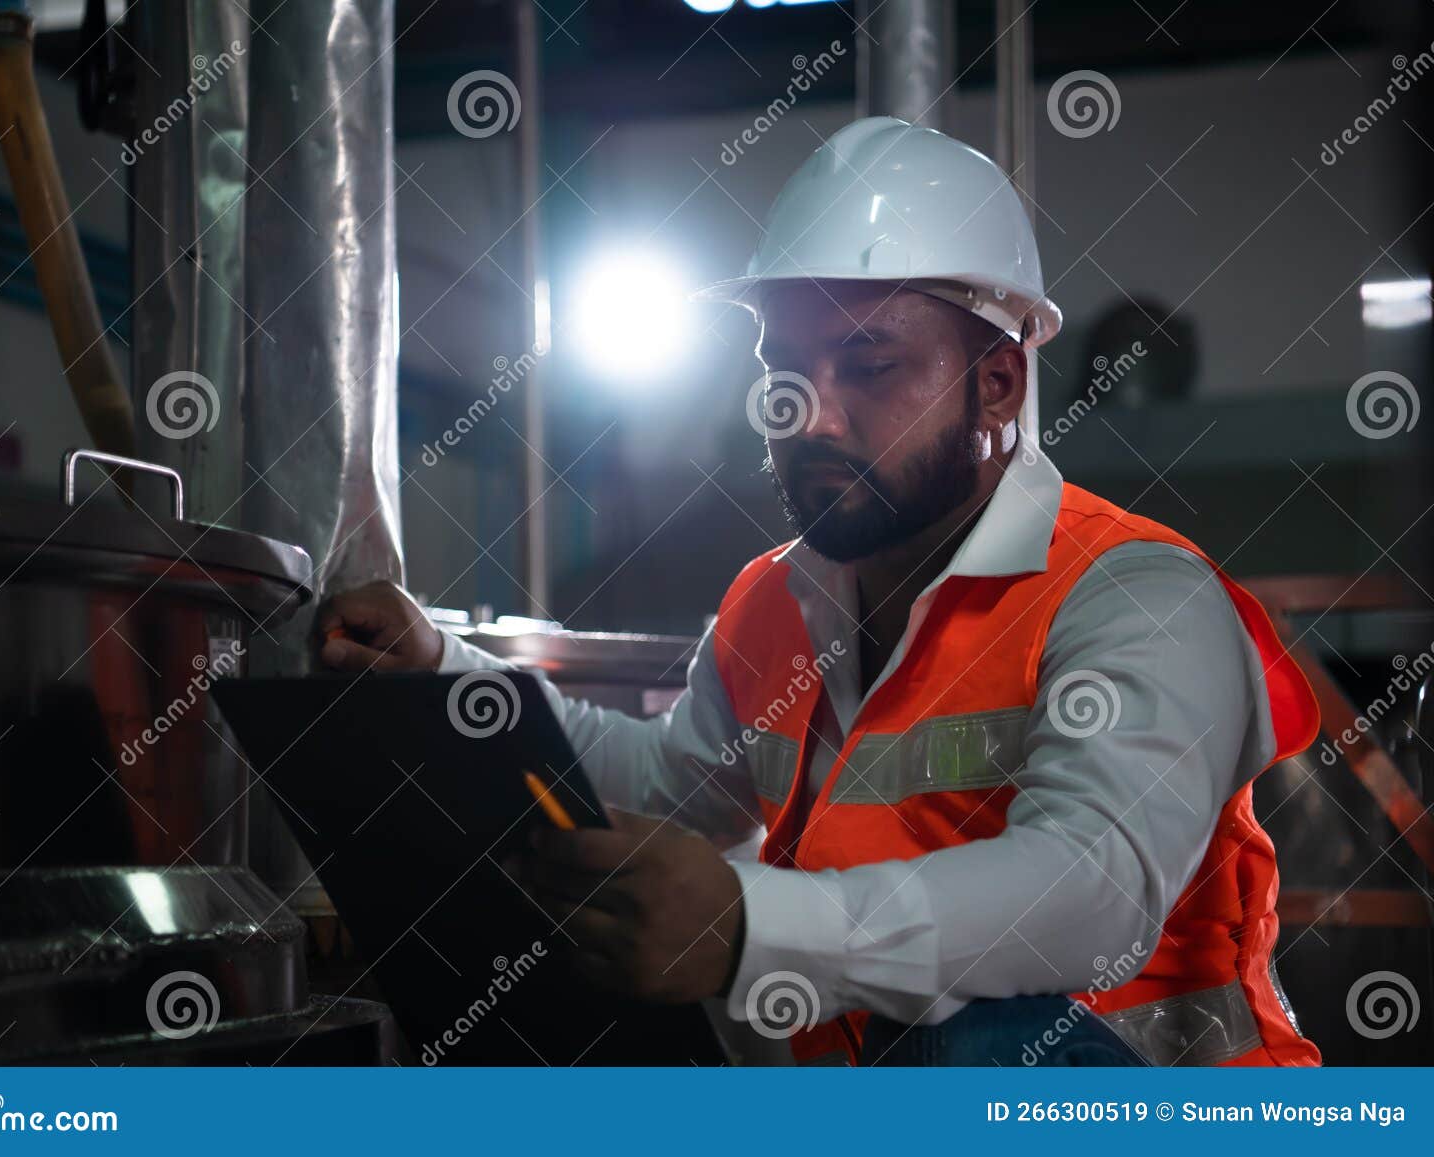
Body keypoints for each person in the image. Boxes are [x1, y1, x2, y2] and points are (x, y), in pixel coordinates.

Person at [318, 118, 1321, 1067]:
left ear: (1000, 383)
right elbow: (664, 786)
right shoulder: (774, 605)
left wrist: (750, 927)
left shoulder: (1132, 594)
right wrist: (444, 673)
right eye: (783, 369)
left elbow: (1085, 891)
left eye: (868, 365)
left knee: (975, 1031)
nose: (811, 414)